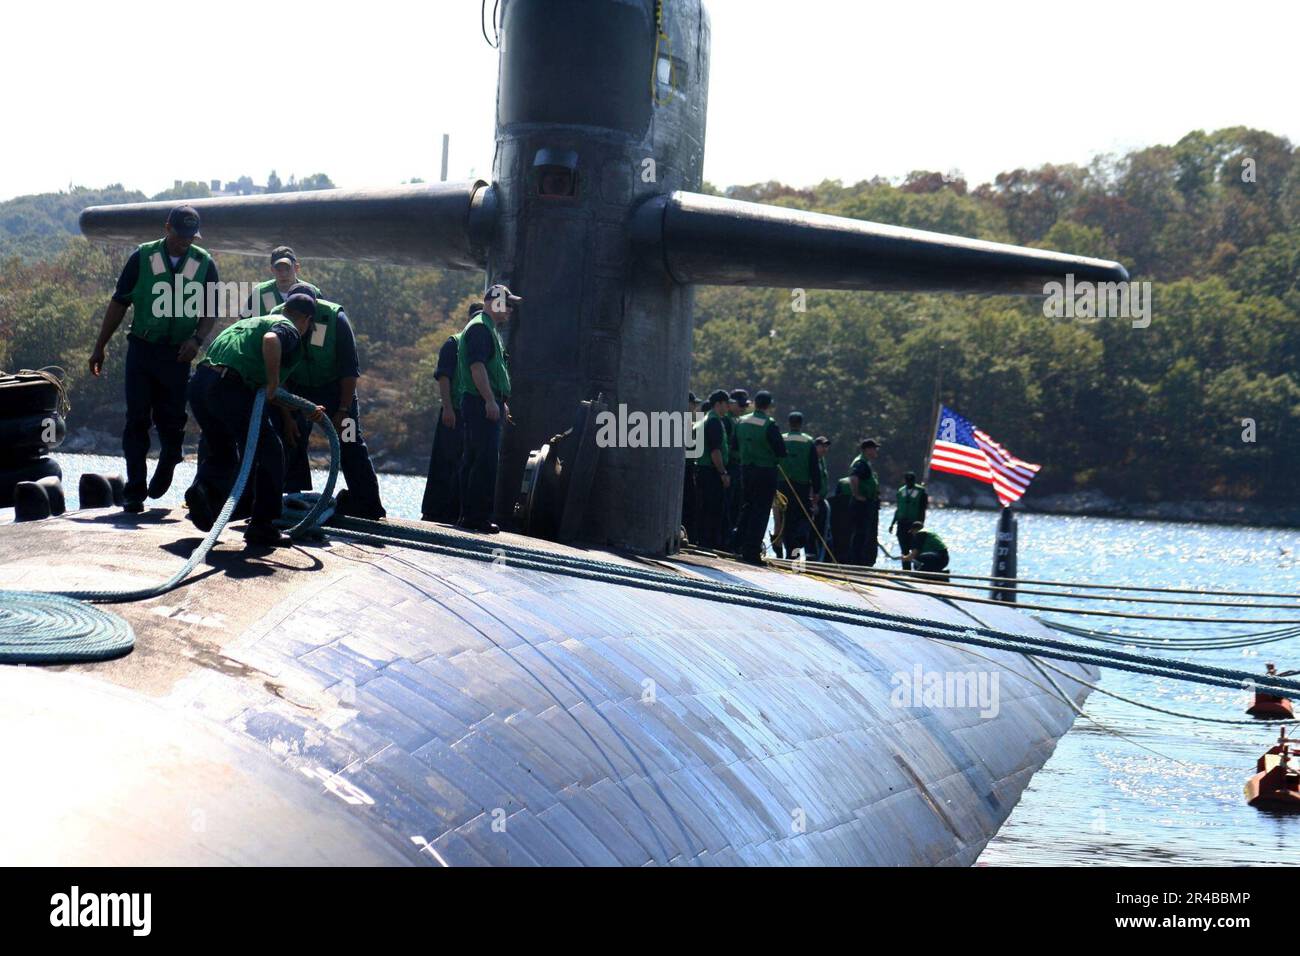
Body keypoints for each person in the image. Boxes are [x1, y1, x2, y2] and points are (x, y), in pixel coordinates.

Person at [89, 204, 220, 512]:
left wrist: (197, 340)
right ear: (167, 228)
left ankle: (171, 457)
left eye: (190, 237)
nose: (184, 242)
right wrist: (100, 346)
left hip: (177, 354)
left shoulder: (203, 263)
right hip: (142, 350)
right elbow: (119, 303)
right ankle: (134, 490)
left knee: (172, 421)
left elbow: (211, 309)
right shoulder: (143, 257)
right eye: (179, 235)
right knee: (136, 419)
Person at [184, 292, 324, 547]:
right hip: (229, 387)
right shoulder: (288, 328)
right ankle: (262, 525)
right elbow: (272, 342)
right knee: (270, 450)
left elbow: (266, 394)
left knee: (222, 450)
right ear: (306, 319)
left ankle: (202, 492)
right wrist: (273, 382)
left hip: (201, 383)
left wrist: (304, 408)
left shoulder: (250, 322)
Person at [271, 283, 385, 520]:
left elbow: (350, 370)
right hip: (296, 388)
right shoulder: (278, 318)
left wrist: (343, 409)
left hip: (336, 390)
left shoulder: (336, 319)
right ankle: (285, 499)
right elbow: (276, 373)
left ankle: (367, 504)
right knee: (288, 437)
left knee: (350, 441)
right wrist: (286, 416)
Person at [456, 283, 520, 533]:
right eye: (507, 304)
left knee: (474, 458)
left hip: (481, 402)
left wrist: (499, 401)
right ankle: (476, 517)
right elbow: (477, 367)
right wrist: (490, 400)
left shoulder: (487, 328)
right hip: (480, 403)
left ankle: (469, 515)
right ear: (494, 302)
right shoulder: (482, 328)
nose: (510, 310)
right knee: (484, 461)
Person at [421, 307, 474, 522]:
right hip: (455, 411)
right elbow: (444, 377)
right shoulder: (454, 344)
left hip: (472, 415)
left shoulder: (487, 345)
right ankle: (435, 511)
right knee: (445, 461)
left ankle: (456, 511)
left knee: (465, 463)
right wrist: (449, 408)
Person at [735, 390, 786, 564]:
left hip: (746, 470)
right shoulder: (769, 424)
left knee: (747, 507)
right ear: (769, 406)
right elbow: (781, 450)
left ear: (755, 403)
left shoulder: (741, 421)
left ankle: (738, 545)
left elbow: (734, 444)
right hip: (765, 471)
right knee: (761, 511)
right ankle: (751, 552)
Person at [692, 389, 732, 549]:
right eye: (726, 404)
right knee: (713, 509)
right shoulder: (714, 422)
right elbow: (715, 450)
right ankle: (708, 544)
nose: (727, 408)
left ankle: (702, 541)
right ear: (718, 404)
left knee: (703, 508)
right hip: (711, 471)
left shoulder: (703, 420)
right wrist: (723, 473)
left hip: (701, 468)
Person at [778, 412, 821, 559]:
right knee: (805, 515)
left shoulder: (782, 438)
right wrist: (817, 489)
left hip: (783, 485)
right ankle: (799, 541)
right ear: (801, 424)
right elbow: (814, 467)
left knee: (787, 520)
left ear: (789, 423)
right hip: (801, 485)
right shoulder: (808, 441)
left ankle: (791, 555)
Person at [249, 246, 320, 316]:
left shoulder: (312, 293)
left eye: (287, 269)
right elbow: (244, 323)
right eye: (279, 270)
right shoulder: (260, 292)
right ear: (272, 270)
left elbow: (323, 322)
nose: (283, 274)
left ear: (296, 268)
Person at [848, 438, 882, 566]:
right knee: (860, 533)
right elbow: (853, 477)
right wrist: (857, 495)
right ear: (867, 450)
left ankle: (860, 562)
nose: (875, 450)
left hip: (867, 503)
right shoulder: (860, 463)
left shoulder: (866, 463)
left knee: (864, 534)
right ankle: (856, 563)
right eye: (874, 448)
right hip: (861, 504)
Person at [889, 471, 929, 570]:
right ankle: (906, 571)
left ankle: (917, 570)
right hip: (902, 523)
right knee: (904, 549)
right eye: (907, 480)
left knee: (915, 548)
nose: (909, 482)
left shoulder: (921, 491)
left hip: (914, 524)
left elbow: (923, 509)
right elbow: (898, 509)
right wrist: (892, 523)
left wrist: (921, 524)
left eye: (911, 480)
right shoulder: (901, 491)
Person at [724, 388, 747, 549]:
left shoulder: (738, 421)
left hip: (739, 466)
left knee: (737, 504)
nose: (743, 409)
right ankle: (725, 539)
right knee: (728, 503)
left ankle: (732, 538)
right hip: (730, 465)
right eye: (741, 405)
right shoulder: (727, 421)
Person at [681, 390, 699, 538]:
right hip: (684, 468)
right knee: (688, 504)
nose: (695, 407)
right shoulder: (684, 422)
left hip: (687, 466)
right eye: (693, 403)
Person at [811, 436, 832, 561]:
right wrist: (813, 501)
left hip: (822, 500)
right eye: (822, 446)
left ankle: (824, 560)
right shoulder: (812, 460)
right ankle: (811, 559)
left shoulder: (822, 460)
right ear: (816, 446)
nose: (825, 449)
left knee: (824, 533)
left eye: (826, 446)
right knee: (811, 533)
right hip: (814, 501)